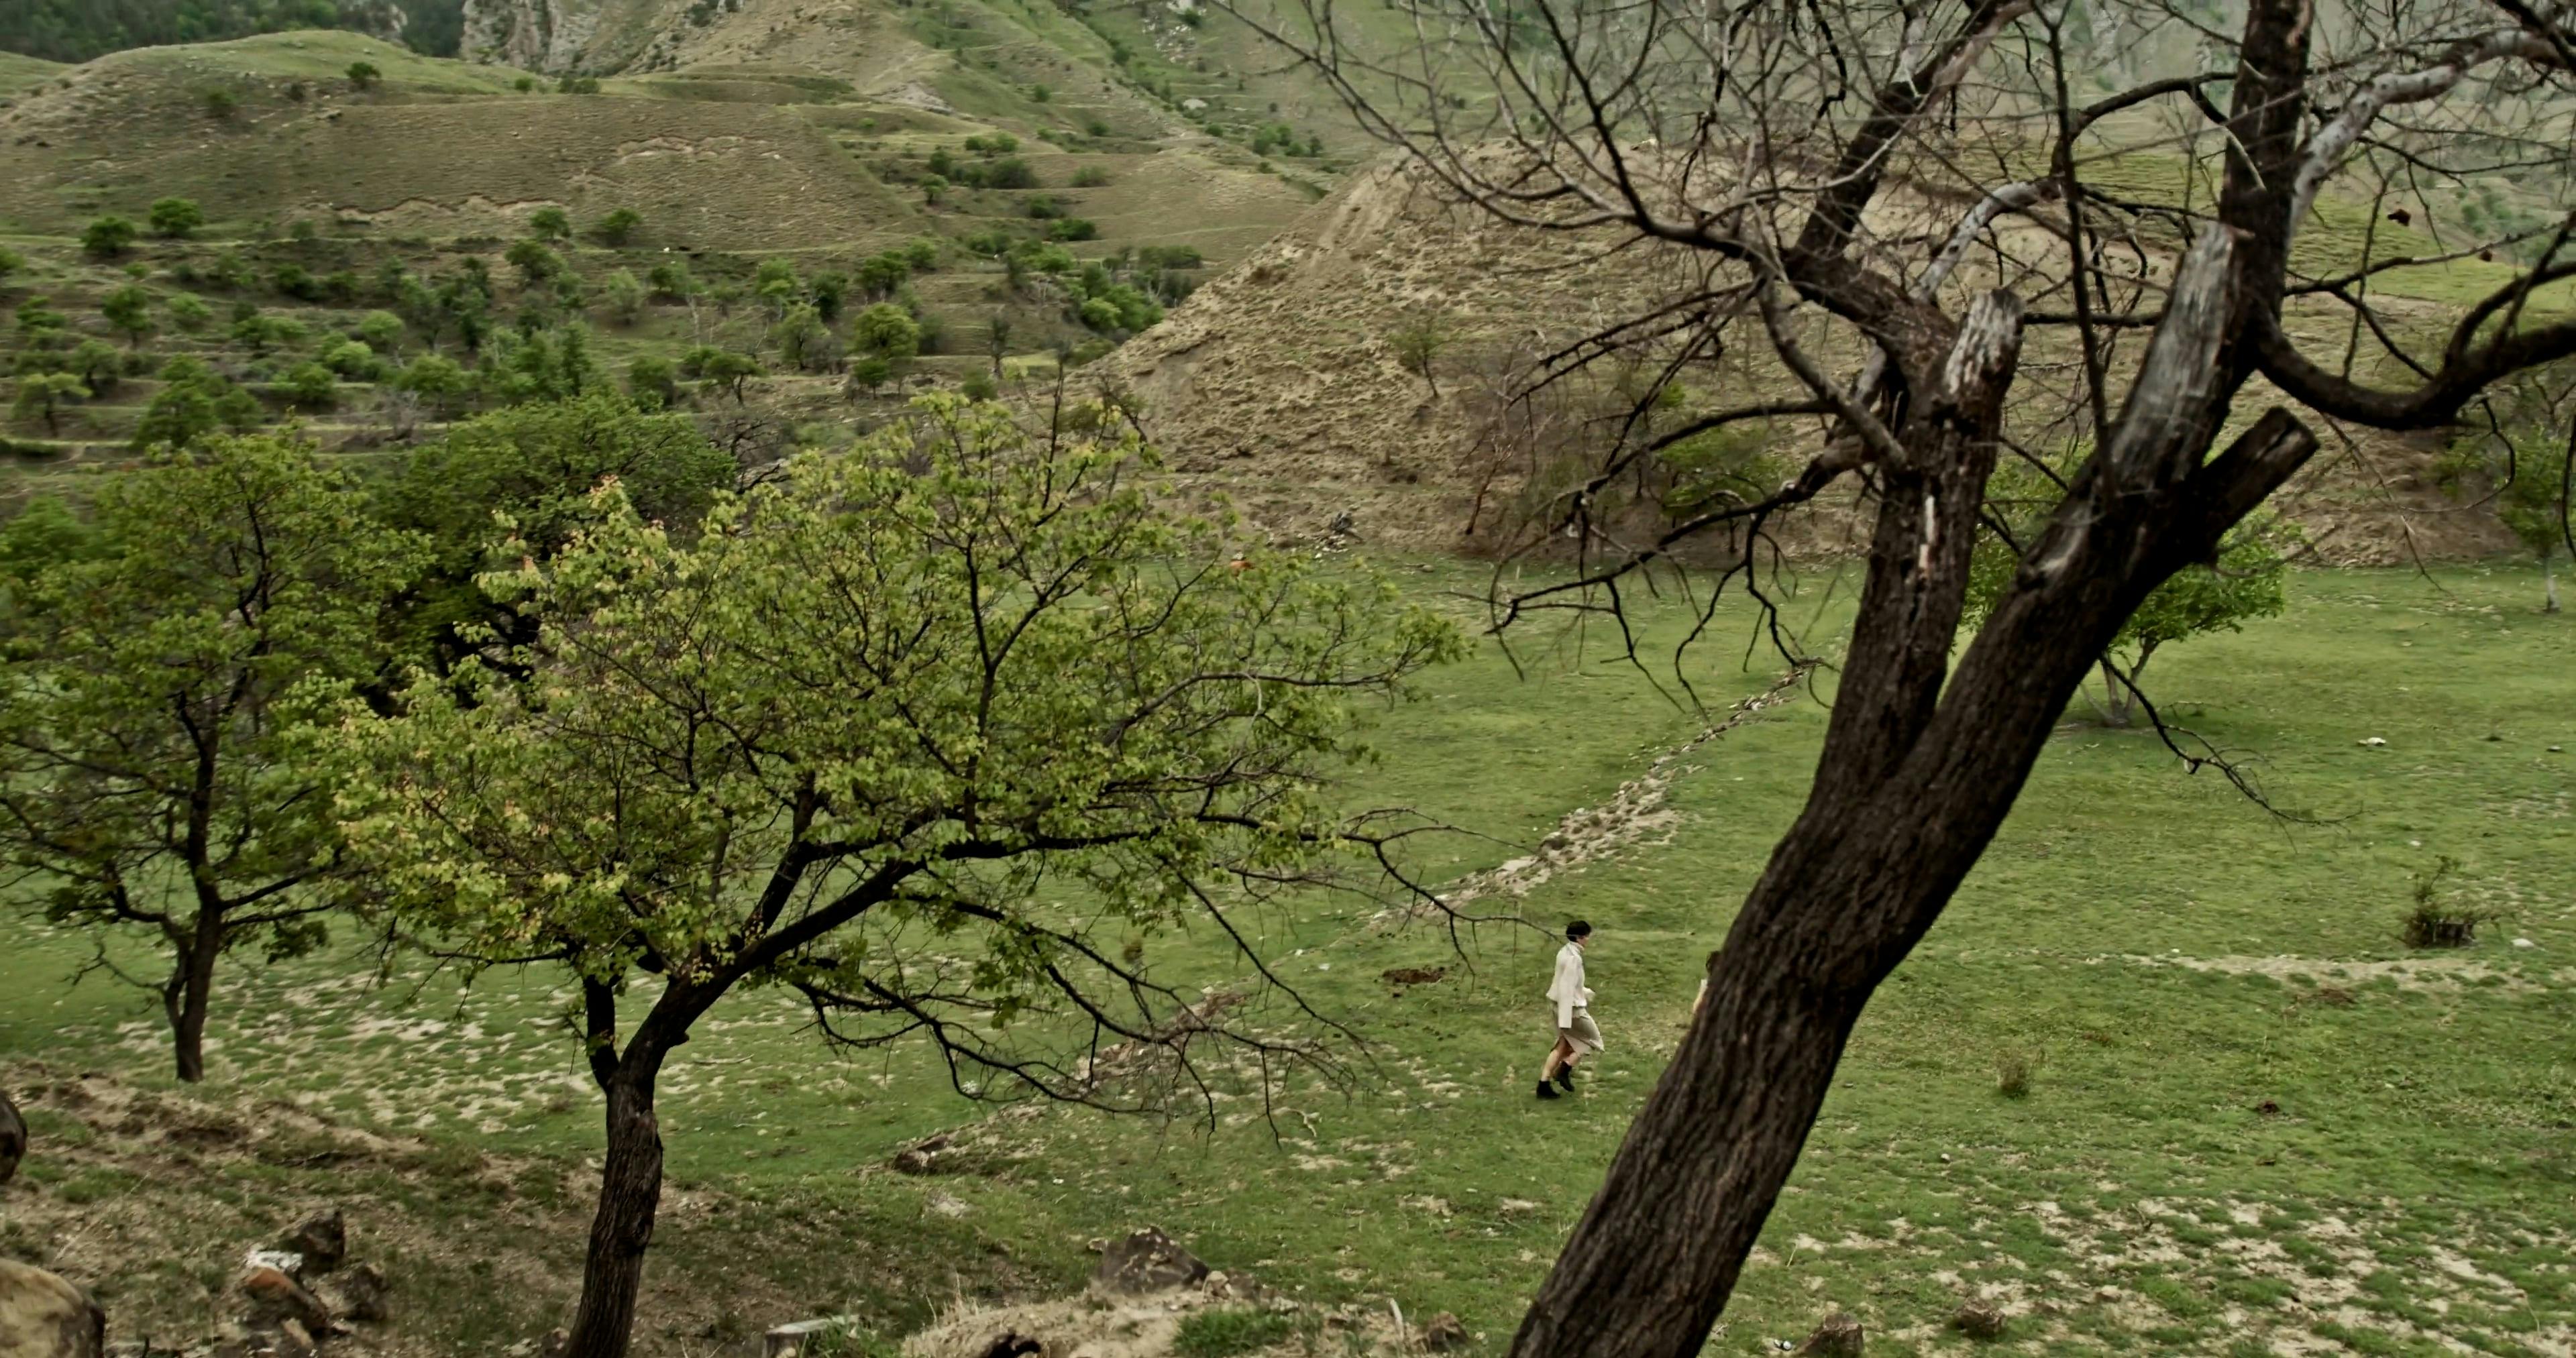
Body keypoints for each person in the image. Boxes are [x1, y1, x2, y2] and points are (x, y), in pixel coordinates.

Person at [1537, 921, 1599, 1099]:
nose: (1588, 939)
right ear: (1580, 938)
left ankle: (1544, 1085)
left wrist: (1584, 992)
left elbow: (1567, 983)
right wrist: (1566, 1021)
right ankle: (1564, 1069)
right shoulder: (1574, 958)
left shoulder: (1564, 952)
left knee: (1563, 1045)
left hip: (1560, 1004)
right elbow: (1566, 988)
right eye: (1587, 936)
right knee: (1592, 1040)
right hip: (1570, 1009)